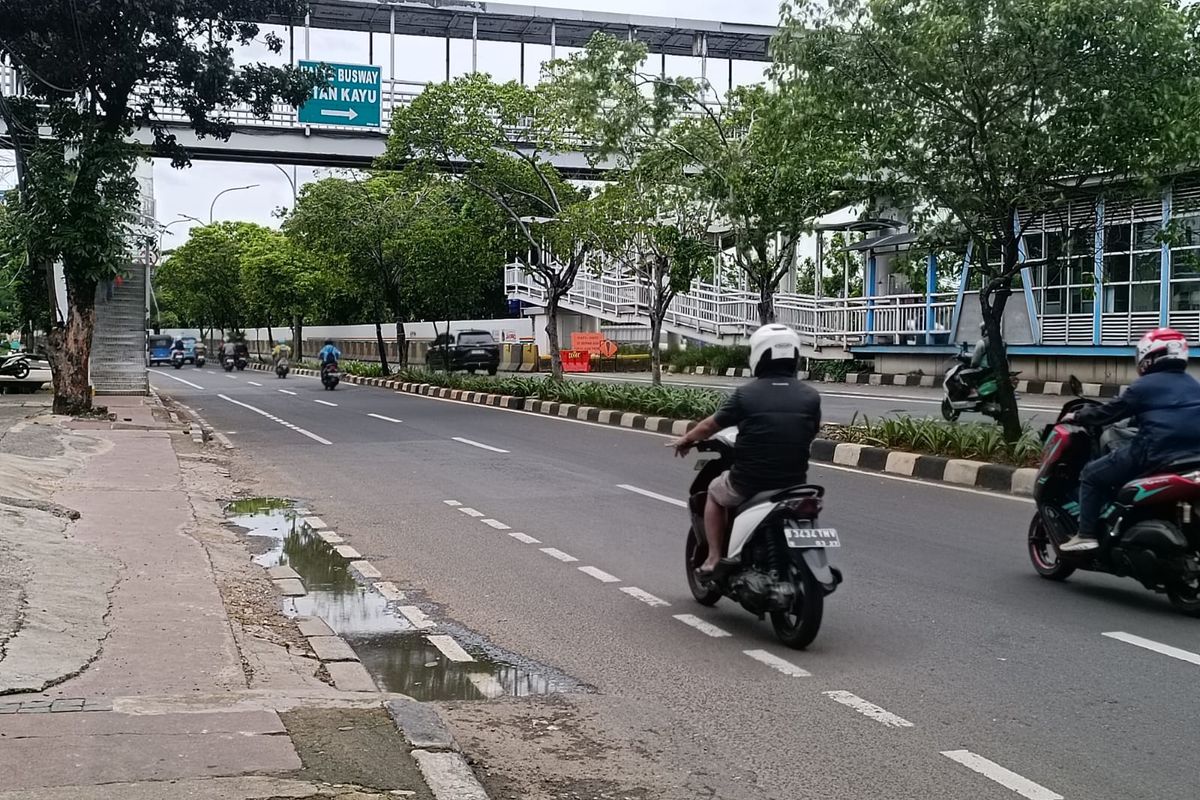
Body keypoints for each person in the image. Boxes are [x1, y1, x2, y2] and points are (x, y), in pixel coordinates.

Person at [669, 324, 822, 577]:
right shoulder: (811, 396)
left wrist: (685, 440)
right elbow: (812, 430)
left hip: (750, 482)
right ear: (794, 355)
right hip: (794, 483)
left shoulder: (745, 395)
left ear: (759, 355)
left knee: (715, 492)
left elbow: (709, 426)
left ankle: (714, 557)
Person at [1060, 328, 1200, 552]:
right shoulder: (1194, 384)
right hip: (1193, 458)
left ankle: (1085, 534)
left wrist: (1077, 415)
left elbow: (1106, 413)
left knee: (1090, 475)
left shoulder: (1143, 386)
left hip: (1155, 452)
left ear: (1149, 356)